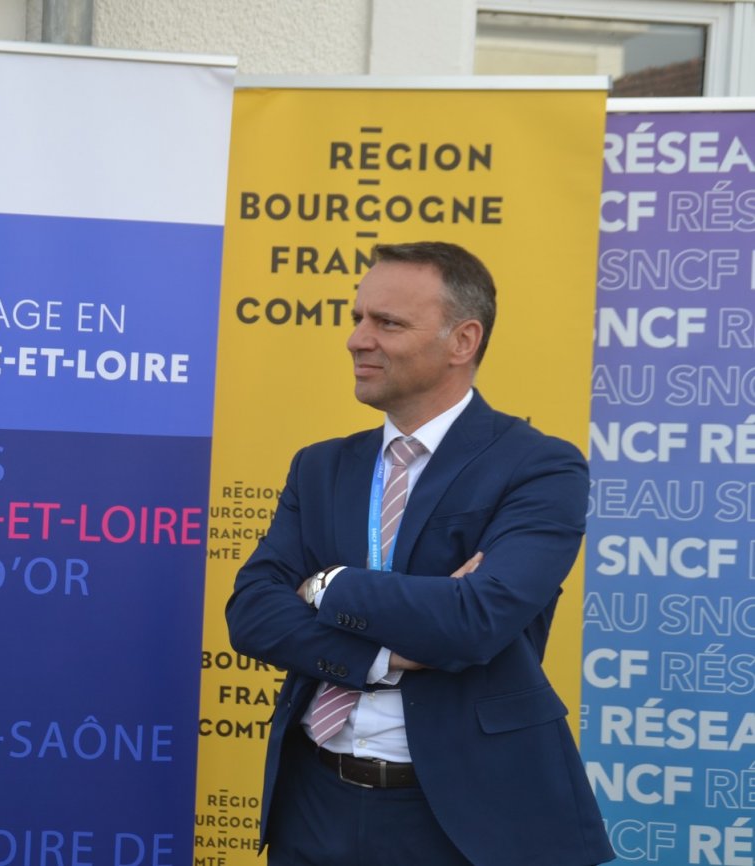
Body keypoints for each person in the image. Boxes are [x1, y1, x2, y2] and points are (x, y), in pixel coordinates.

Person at [226, 241, 613, 866]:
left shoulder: (539, 467)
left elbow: (474, 620)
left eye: (387, 323)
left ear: (462, 341)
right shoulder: (321, 467)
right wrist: (384, 654)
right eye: (357, 318)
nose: (357, 339)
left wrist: (326, 587)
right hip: (313, 804)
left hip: (465, 819)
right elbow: (251, 613)